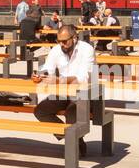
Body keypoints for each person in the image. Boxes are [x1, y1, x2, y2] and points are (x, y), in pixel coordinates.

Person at [31, 25, 96, 157]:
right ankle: (73, 139)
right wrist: (40, 75)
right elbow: (47, 68)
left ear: (74, 38)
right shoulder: (56, 49)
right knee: (40, 111)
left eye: (65, 41)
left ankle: (74, 145)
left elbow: (84, 78)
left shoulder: (87, 49)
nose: (62, 44)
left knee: (71, 112)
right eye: (59, 41)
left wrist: (59, 80)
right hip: (63, 93)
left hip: (86, 92)